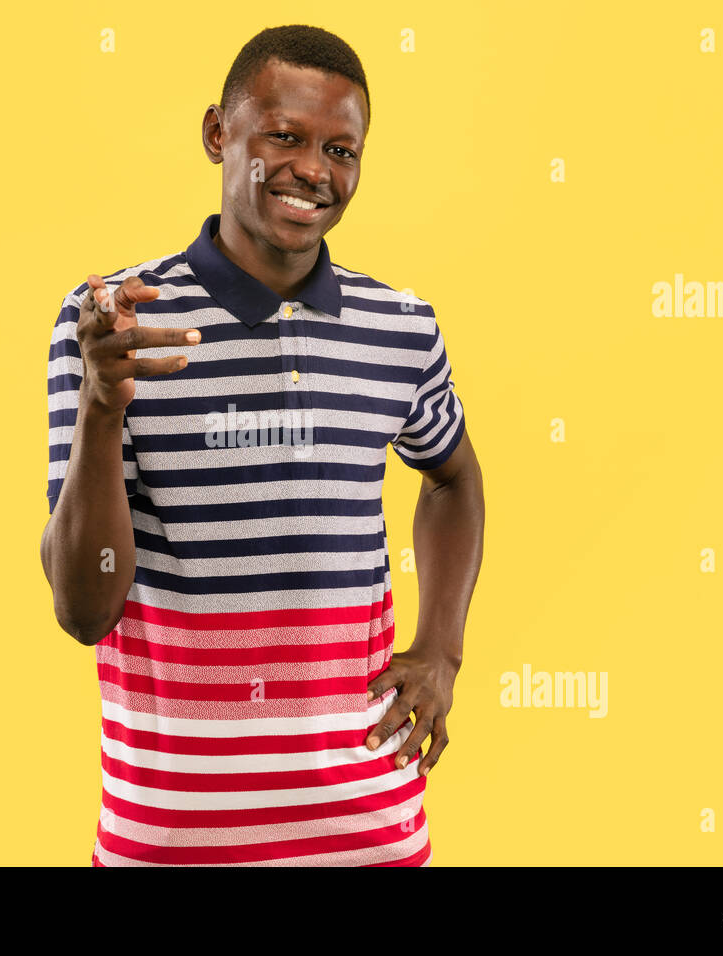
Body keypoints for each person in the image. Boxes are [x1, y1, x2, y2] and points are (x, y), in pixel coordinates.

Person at [42, 24, 484, 866]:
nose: (315, 170)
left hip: (372, 830)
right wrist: (103, 407)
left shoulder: (400, 327)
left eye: (341, 149)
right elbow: (83, 609)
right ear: (219, 134)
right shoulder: (111, 323)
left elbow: (453, 477)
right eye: (284, 135)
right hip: (168, 837)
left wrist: (442, 649)